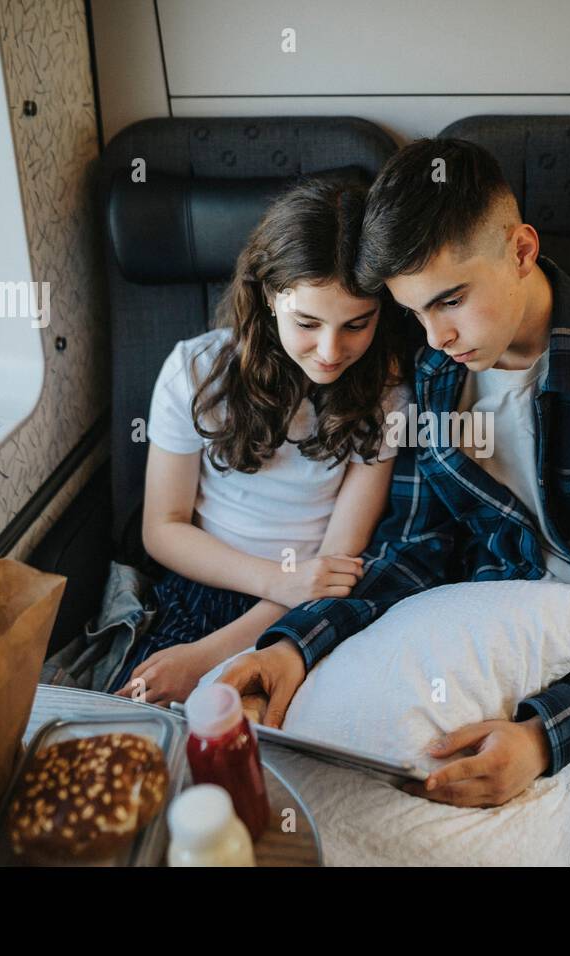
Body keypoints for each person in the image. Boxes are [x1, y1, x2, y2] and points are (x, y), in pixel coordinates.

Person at [218, 139, 570, 865]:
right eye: (415, 312)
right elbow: (421, 550)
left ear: (522, 250)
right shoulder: (436, 375)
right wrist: (298, 647)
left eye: (451, 301)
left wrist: (542, 737)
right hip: (474, 638)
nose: (438, 336)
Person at [111, 176, 410, 705]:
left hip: (312, 604)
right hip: (209, 580)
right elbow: (162, 528)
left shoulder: (387, 396)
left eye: (356, 324)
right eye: (308, 322)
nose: (329, 350)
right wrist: (274, 582)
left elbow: (336, 562)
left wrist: (210, 658)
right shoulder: (196, 371)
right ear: (271, 297)